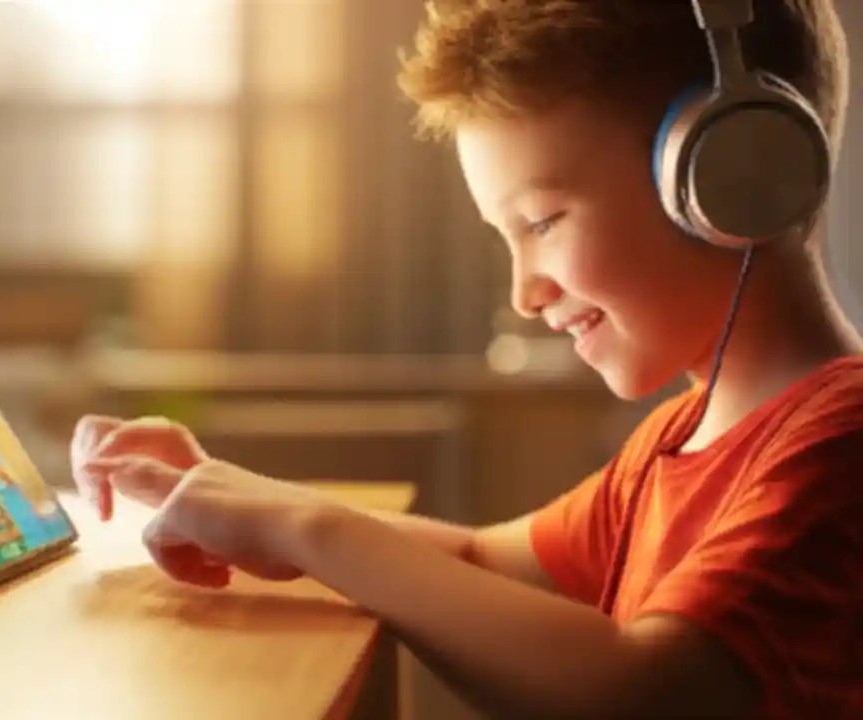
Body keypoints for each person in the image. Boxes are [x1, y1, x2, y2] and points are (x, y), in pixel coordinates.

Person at [71, 1, 863, 717]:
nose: (524, 292)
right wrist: (237, 503)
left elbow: (638, 694)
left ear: (733, 173)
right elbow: (482, 561)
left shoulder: (839, 443)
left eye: (544, 220)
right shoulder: (681, 438)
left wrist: (302, 527)